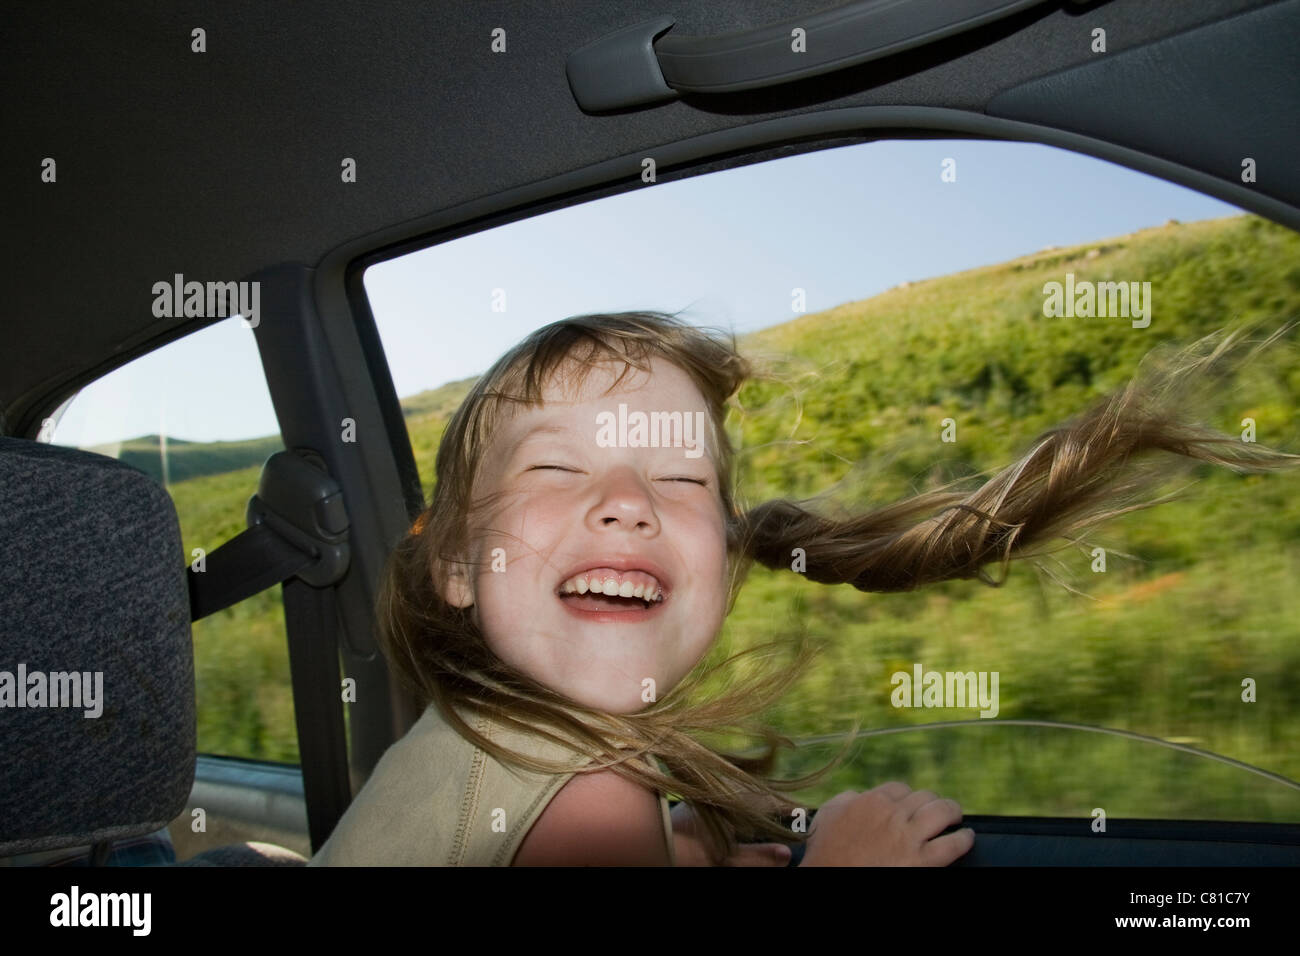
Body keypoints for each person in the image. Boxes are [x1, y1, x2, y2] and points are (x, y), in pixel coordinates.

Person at [309, 310, 1298, 866]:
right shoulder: (582, 787)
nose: (625, 503)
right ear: (451, 563)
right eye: (554, 468)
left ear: (730, 559)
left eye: (681, 477)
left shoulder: (495, 744)